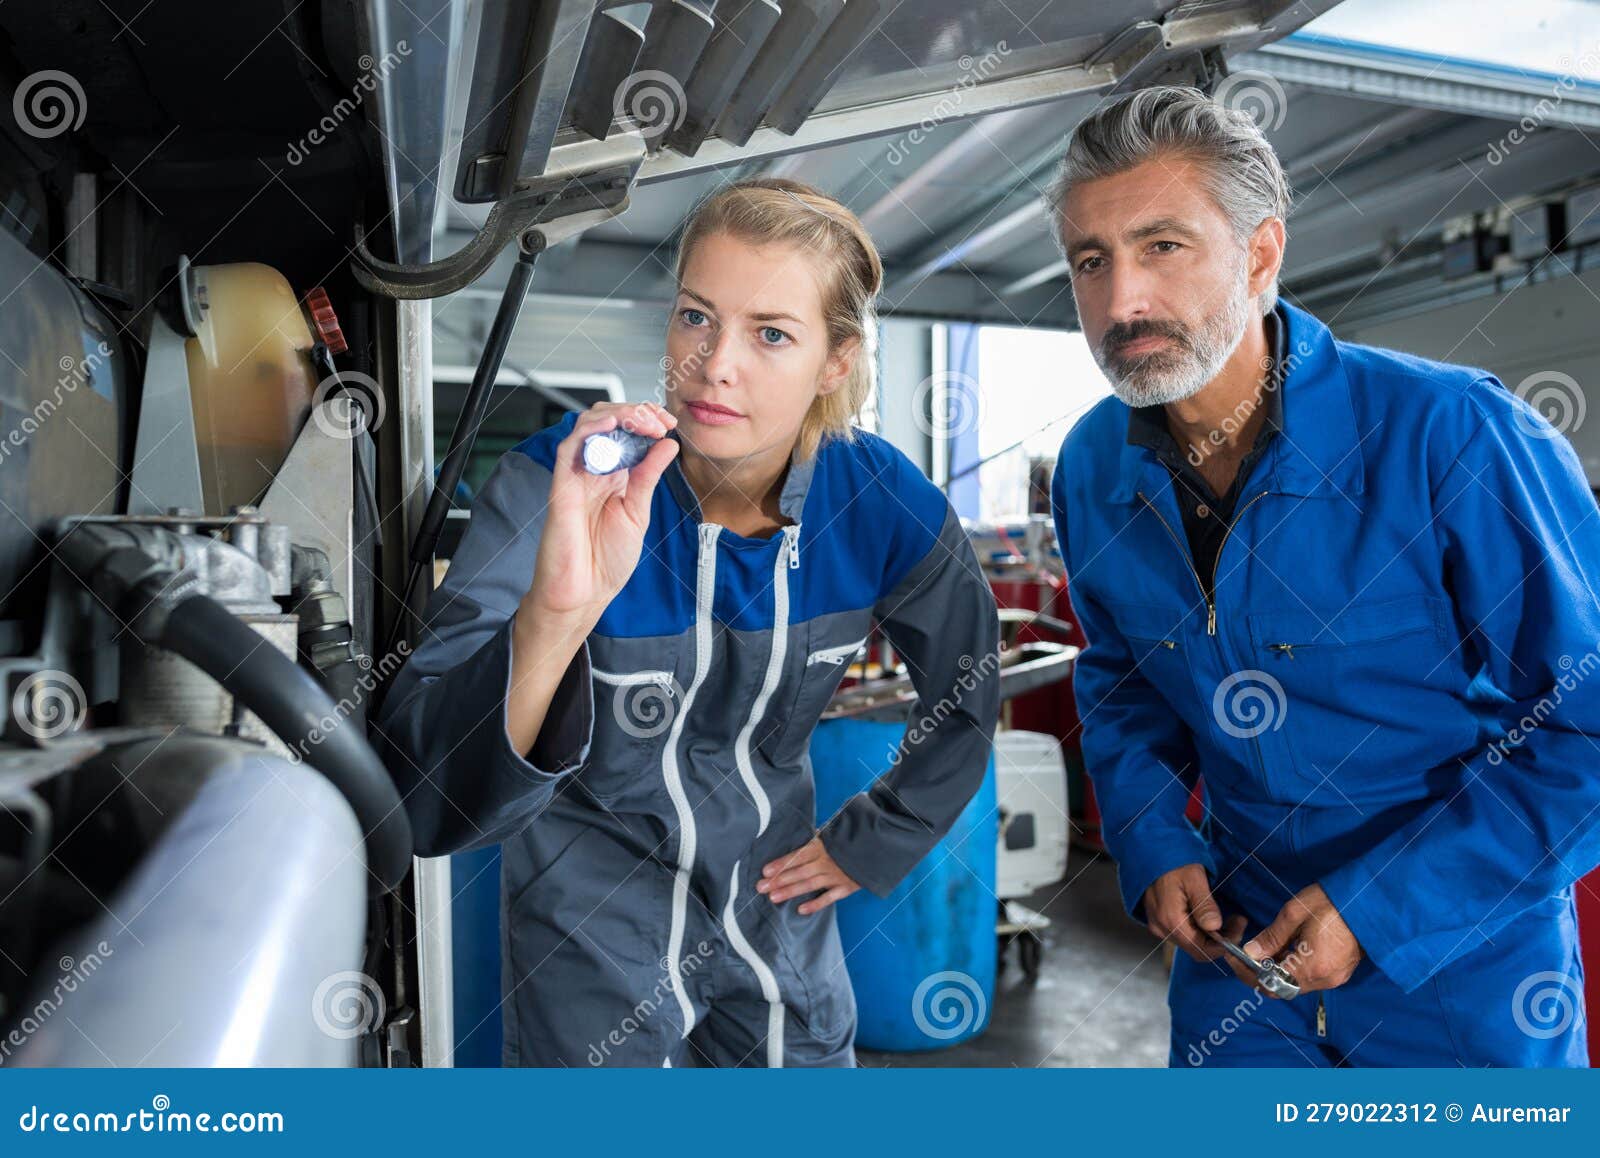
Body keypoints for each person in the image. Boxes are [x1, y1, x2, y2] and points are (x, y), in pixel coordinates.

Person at [375, 178, 1001, 1067]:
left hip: (775, 901)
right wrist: (557, 615)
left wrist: (881, 835)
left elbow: (969, 687)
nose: (715, 364)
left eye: (771, 334)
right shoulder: (560, 483)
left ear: (836, 361)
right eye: (696, 317)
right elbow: (421, 793)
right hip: (588, 910)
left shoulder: (880, 500)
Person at [1048, 86, 1600, 1066]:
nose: (1121, 300)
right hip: (1239, 964)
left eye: (1161, 247)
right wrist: (1151, 841)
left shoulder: (1447, 436)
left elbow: (1586, 724)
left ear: (1260, 255)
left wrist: (1384, 908)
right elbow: (1123, 681)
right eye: (1091, 261)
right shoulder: (1094, 468)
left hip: (1459, 971)